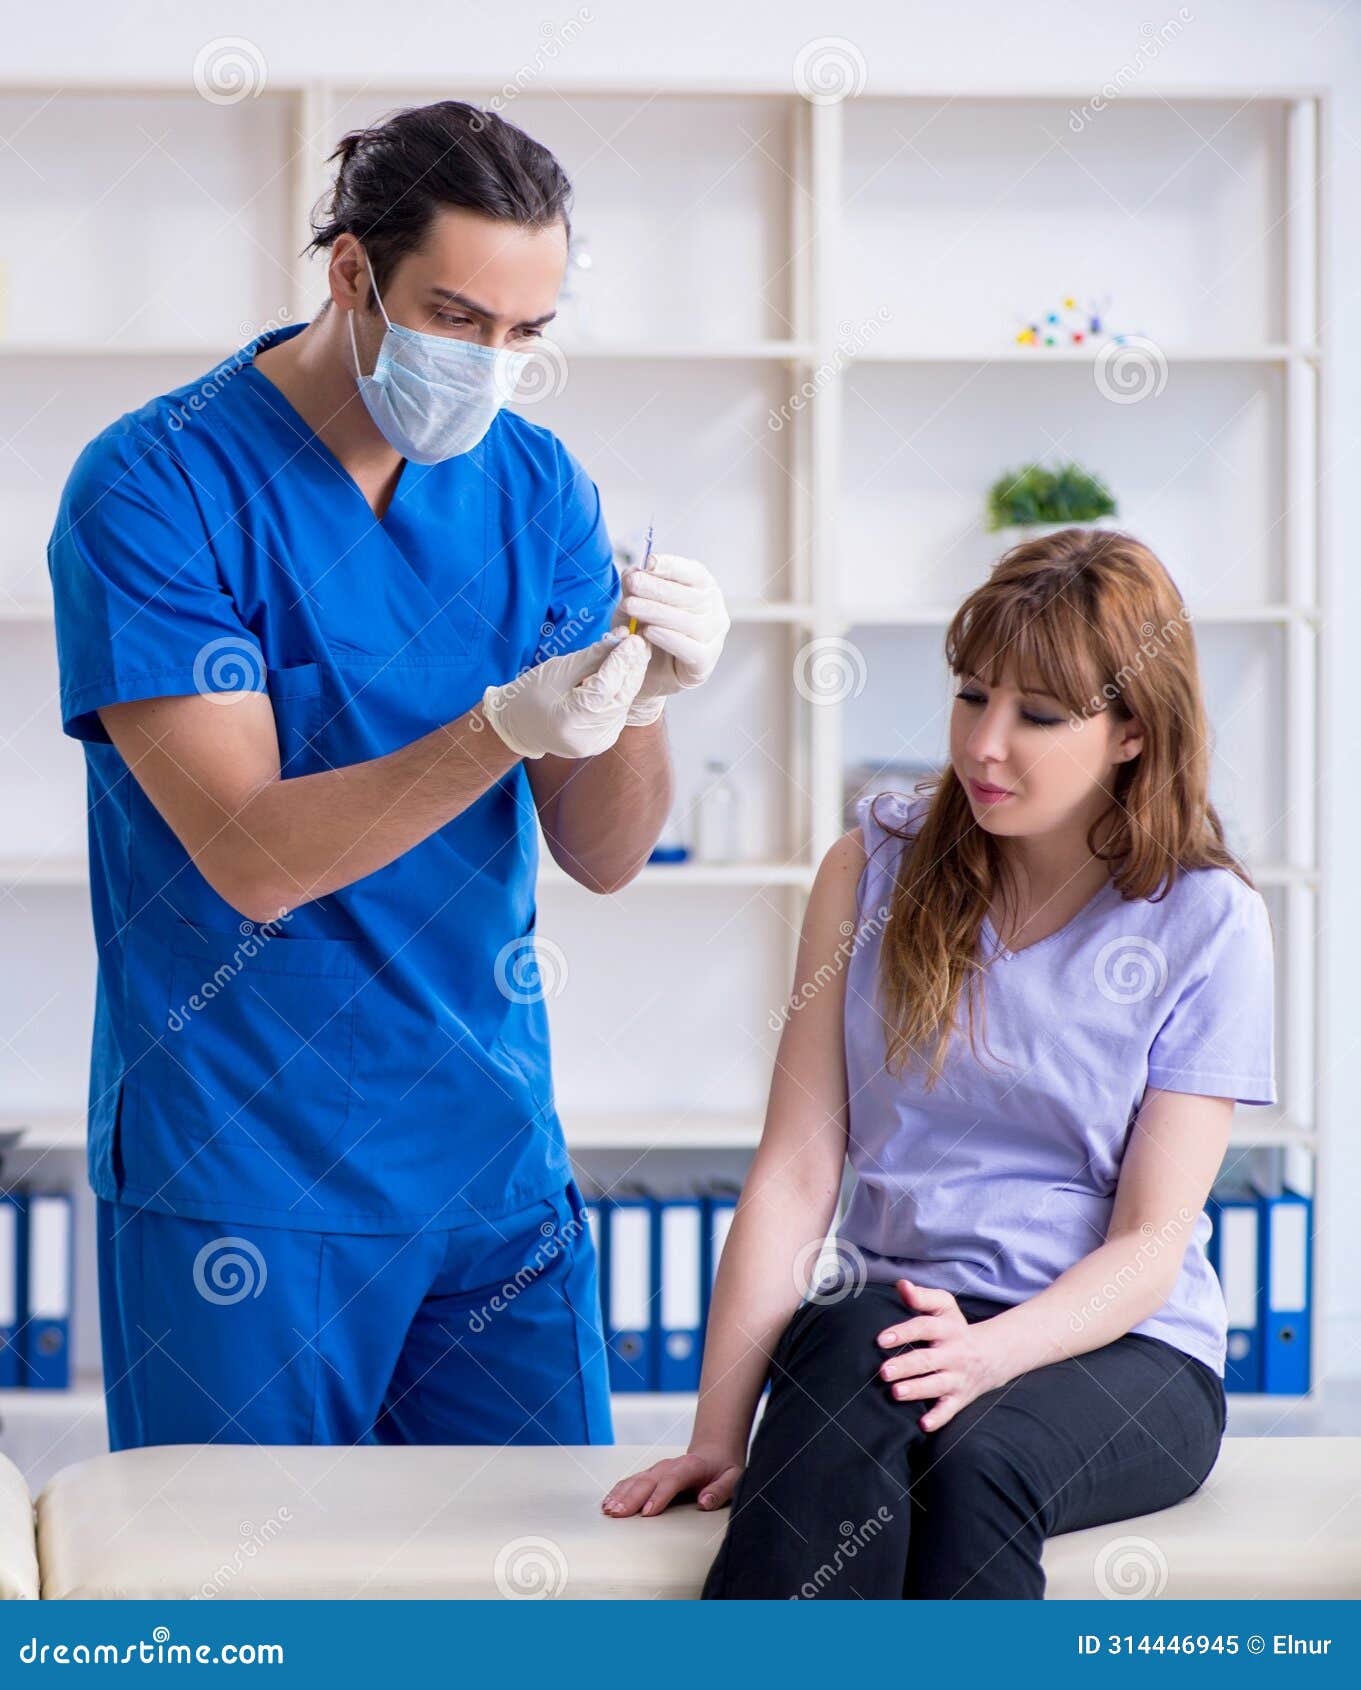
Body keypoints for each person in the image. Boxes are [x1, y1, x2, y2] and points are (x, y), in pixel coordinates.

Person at [46, 98, 729, 1452]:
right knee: (255, 1628)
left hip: (487, 1161)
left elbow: (602, 851)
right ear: (352, 272)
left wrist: (639, 697)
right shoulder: (157, 486)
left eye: (526, 335)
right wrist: (499, 727)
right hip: (246, 1166)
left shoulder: (534, 487)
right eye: (458, 319)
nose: (490, 365)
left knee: (531, 1613)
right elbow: (251, 853)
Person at [601, 528, 1275, 1600]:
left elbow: (1150, 1242)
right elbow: (793, 1174)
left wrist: (991, 1353)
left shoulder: (1206, 920)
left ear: (1132, 733)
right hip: (900, 1315)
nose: (983, 744)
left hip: (1123, 1349)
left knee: (971, 1459)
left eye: (1038, 716)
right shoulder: (869, 864)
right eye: (971, 696)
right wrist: (717, 1436)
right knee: (844, 1345)